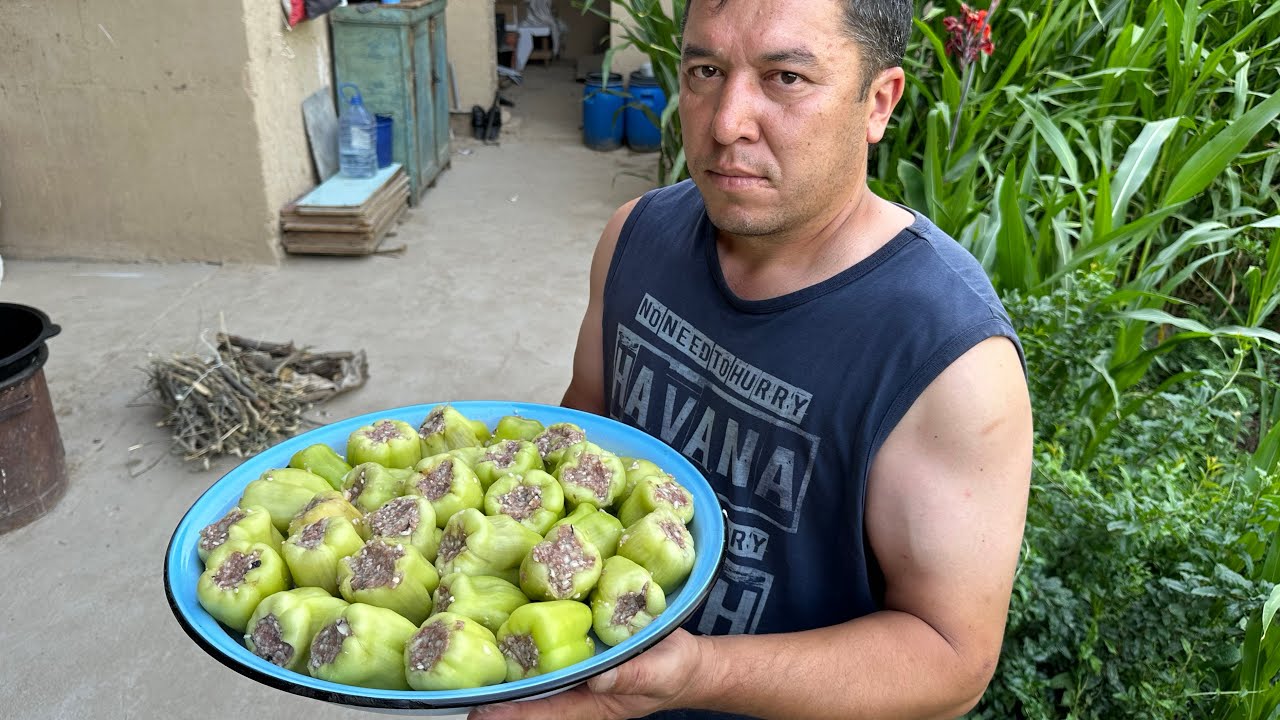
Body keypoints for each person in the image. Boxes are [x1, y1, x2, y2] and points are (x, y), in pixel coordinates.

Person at [470, 0, 1032, 718]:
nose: (727, 121)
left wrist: (693, 673)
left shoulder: (944, 354)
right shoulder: (633, 239)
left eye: (786, 78)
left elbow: (951, 660)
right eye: (706, 70)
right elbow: (585, 440)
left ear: (878, 101)